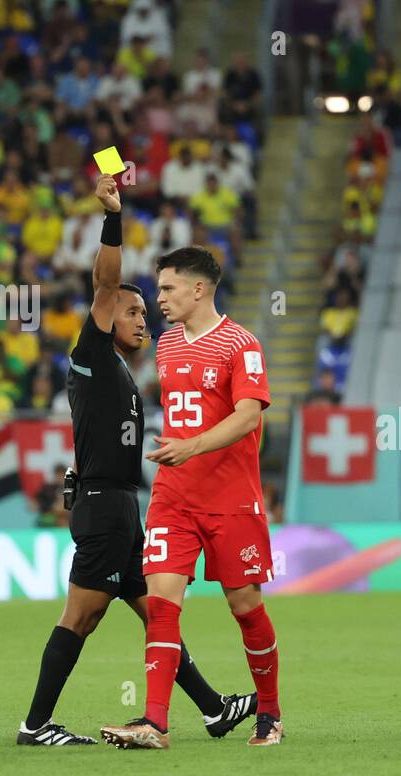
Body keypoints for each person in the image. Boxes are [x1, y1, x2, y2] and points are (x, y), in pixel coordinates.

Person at [18, 177, 255, 748]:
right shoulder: (95, 355)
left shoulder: (123, 371)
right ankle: (35, 725)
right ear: (107, 319)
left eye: (146, 310)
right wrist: (113, 218)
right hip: (104, 508)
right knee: (80, 618)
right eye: (132, 311)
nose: (143, 318)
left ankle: (214, 707)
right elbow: (104, 282)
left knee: (157, 614)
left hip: (122, 508)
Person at [101, 244, 281, 749]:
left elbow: (248, 415)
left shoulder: (240, 345)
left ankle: (269, 712)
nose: (159, 298)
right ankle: (155, 723)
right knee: (160, 604)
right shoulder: (166, 345)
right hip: (173, 498)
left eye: (167, 288)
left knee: (245, 606)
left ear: (198, 289)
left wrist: (193, 446)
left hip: (230, 499)